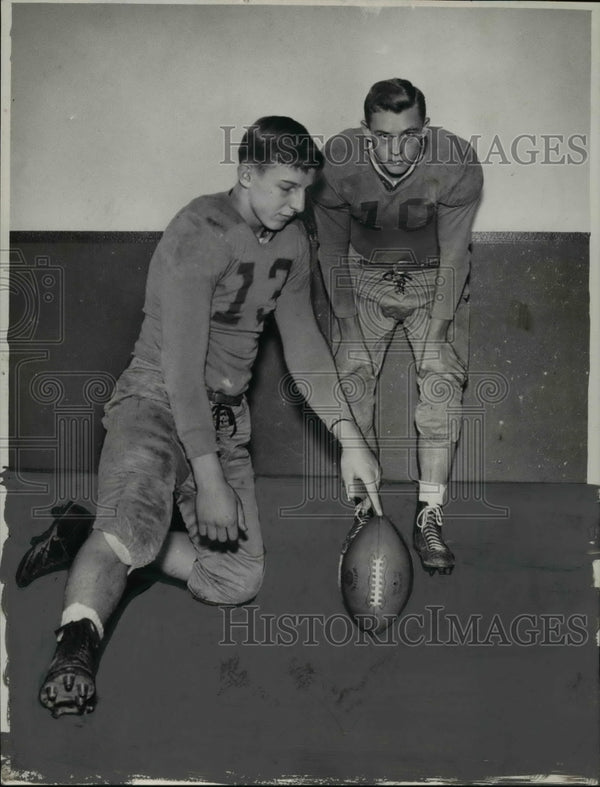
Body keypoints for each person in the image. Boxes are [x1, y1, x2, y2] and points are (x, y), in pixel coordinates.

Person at [34, 116, 382, 718]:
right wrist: (210, 478)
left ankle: (84, 532)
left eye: (305, 190)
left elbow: (304, 345)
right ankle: (74, 649)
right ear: (246, 174)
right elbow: (180, 369)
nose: (298, 205)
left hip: (223, 417)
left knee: (237, 582)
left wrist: (349, 439)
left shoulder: (292, 242)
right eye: (285, 188)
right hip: (155, 400)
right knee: (128, 532)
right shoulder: (198, 231)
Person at [309, 78, 483, 576]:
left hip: (433, 276)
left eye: (409, 136)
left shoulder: (455, 161)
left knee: (442, 381)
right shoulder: (337, 162)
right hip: (363, 274)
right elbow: (330, 251)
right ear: (365, 132)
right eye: (382, 136)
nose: (395, 150)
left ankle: (430, 512)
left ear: (425, 129)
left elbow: (455, 255)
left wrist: (437, 339)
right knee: (351, 381)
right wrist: (348, 330)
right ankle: (367, 510)